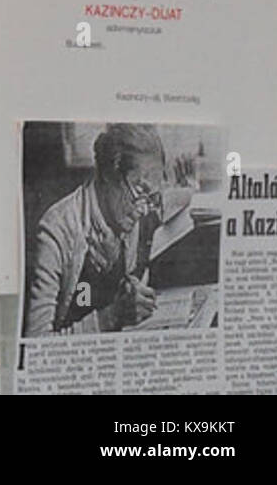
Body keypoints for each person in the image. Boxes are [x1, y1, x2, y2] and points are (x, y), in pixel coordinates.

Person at [24, 124, 170, 336]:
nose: (144, 209)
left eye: (151, 197)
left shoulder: (131, 211)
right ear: (108, 175)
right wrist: (111, 317)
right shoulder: (56, 230)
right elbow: (36, 344)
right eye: (140, 191)